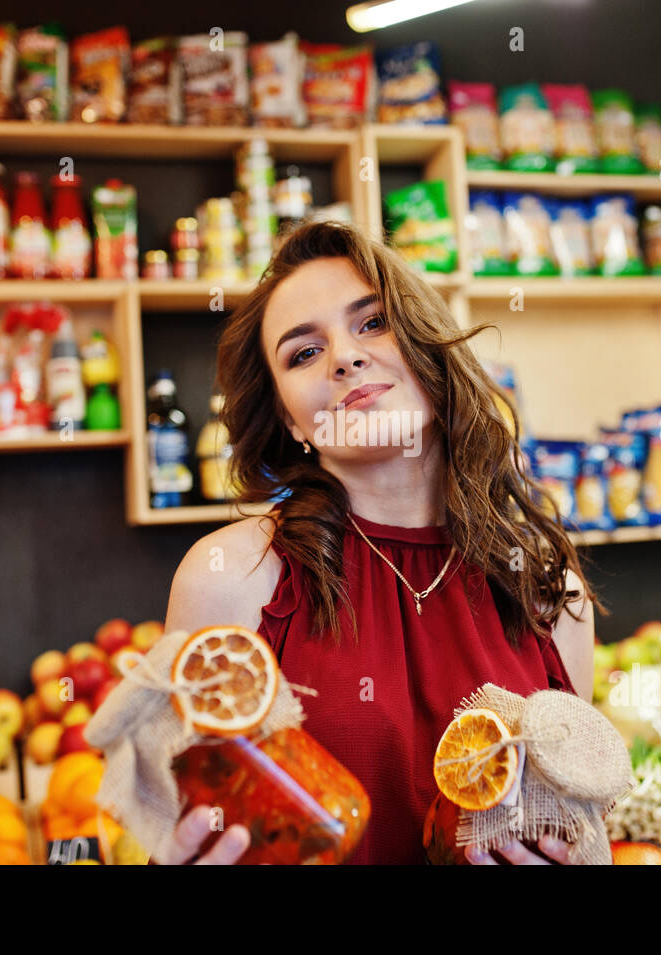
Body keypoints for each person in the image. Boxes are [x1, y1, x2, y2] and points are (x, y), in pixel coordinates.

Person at [162, 221, 598, 864]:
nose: (343, 356)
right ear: (288, 417)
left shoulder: (547, 590)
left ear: (429, 346)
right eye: (302, 353)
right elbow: (189, 832)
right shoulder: (232, 578)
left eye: (372, 323)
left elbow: (574, 832)